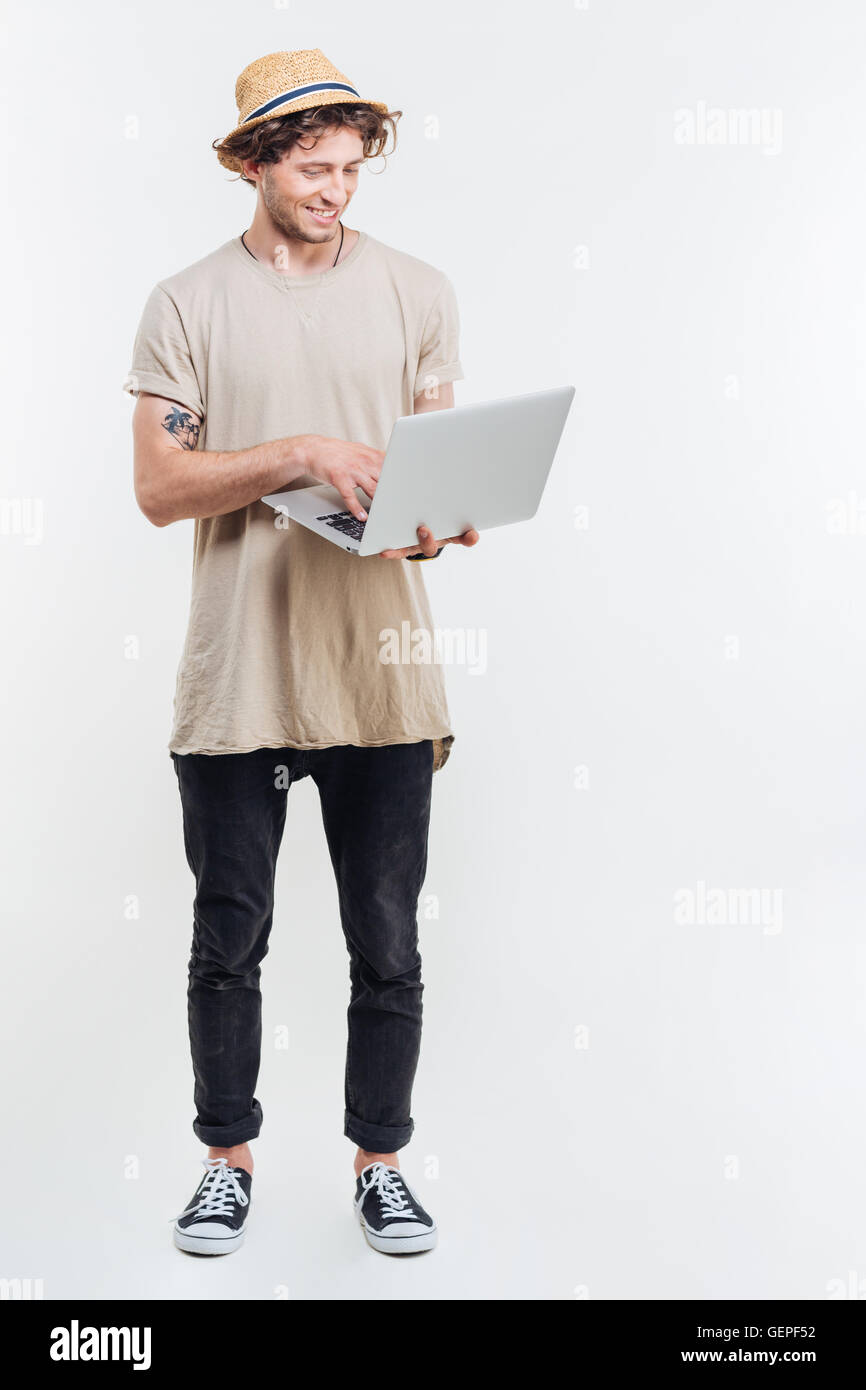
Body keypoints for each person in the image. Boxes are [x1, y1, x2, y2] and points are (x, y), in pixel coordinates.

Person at [124, 47, 478, 1257]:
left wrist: (439, 515)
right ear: (254, 164)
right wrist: (303, 451)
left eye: (350, 167)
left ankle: (381, 1163)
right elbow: (160, 487)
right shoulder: (186, 303)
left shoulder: (419, 290)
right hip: (239, 684)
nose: (337, 189)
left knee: (388, 938)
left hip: (381, 673)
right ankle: (226, 1159)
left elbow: (425, 474)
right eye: (313, 168)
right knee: (230, 936)